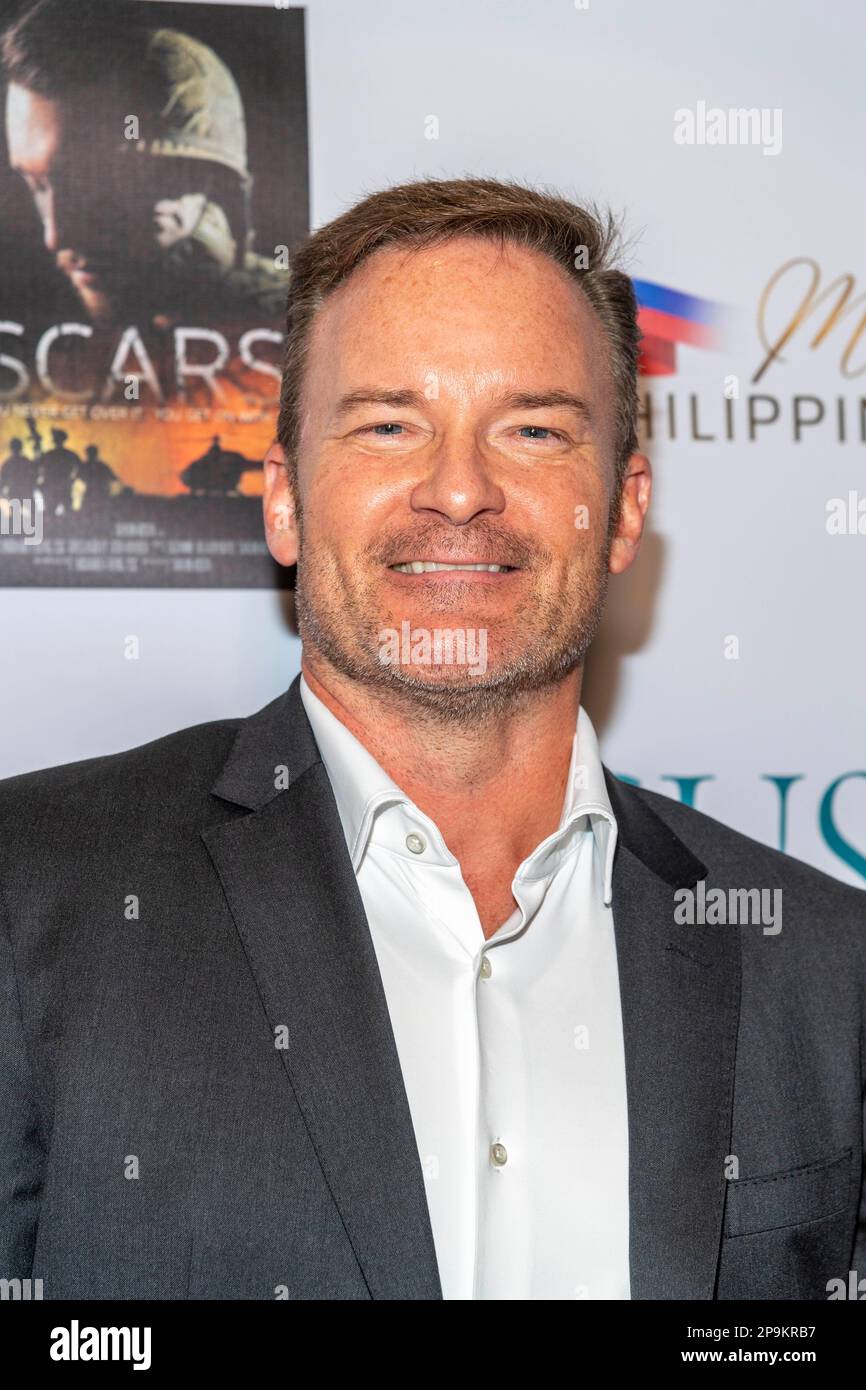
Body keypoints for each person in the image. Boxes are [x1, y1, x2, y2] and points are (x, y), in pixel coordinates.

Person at [0, 177, 863, 1302]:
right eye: (389, 425)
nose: (459, 490)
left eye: (534, 429)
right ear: (283, 502)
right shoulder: (31, 894)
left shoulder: (820, 964)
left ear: (622, 507)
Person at [1, 0, 289, 329]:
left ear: (208, 180)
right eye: (36, 185)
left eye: (96, 187)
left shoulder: (295, 322)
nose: (56, 235)